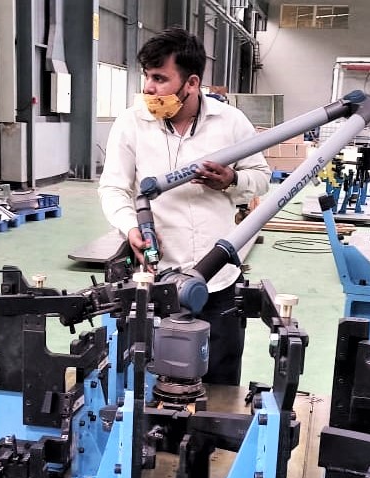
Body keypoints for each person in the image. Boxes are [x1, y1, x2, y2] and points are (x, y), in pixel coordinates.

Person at [98, 27, 271, 385]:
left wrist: (231, 180)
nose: (148, 88)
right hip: (155, 280)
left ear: (191, 83)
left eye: (160, 79)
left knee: (219, 386)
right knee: (151, 386)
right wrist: (131, 228)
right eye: (147, 76)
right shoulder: (132, 123)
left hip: (218, 279)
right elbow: (113, 188)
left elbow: (261, 178)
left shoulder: (230, 122)